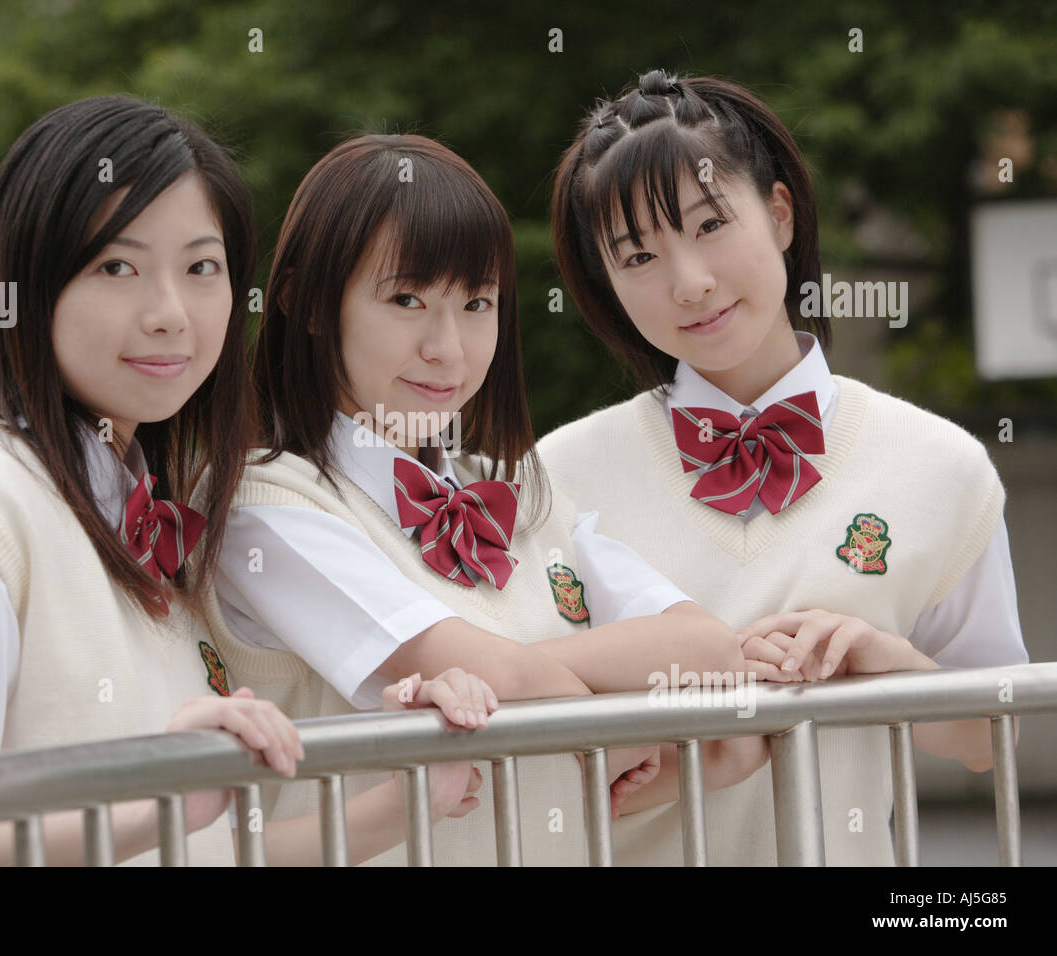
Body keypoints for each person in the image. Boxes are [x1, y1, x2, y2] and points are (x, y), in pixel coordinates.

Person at [0, 96, 481, 866]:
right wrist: (157, 800)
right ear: (26, 285)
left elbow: (210, 852)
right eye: (118, 266)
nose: (171, 313)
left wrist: (418, 777)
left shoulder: (158, 527)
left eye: (202, 268)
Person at [201, 133, 764, 867]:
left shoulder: (519, 493)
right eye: (406, 299)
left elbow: (709, 652)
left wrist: (561, 707)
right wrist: (616, 722)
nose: (449, 347)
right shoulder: (269, 507)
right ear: (307, 305)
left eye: (476, 302)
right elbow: (496, 679)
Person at [539, 69, 1029, 865]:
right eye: (637, 256)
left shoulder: (940, 467)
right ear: (605, 282)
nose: (689, 283)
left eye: (709, 224)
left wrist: (888, 665)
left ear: (778, 212)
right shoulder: (553, 479)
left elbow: (990, 737)